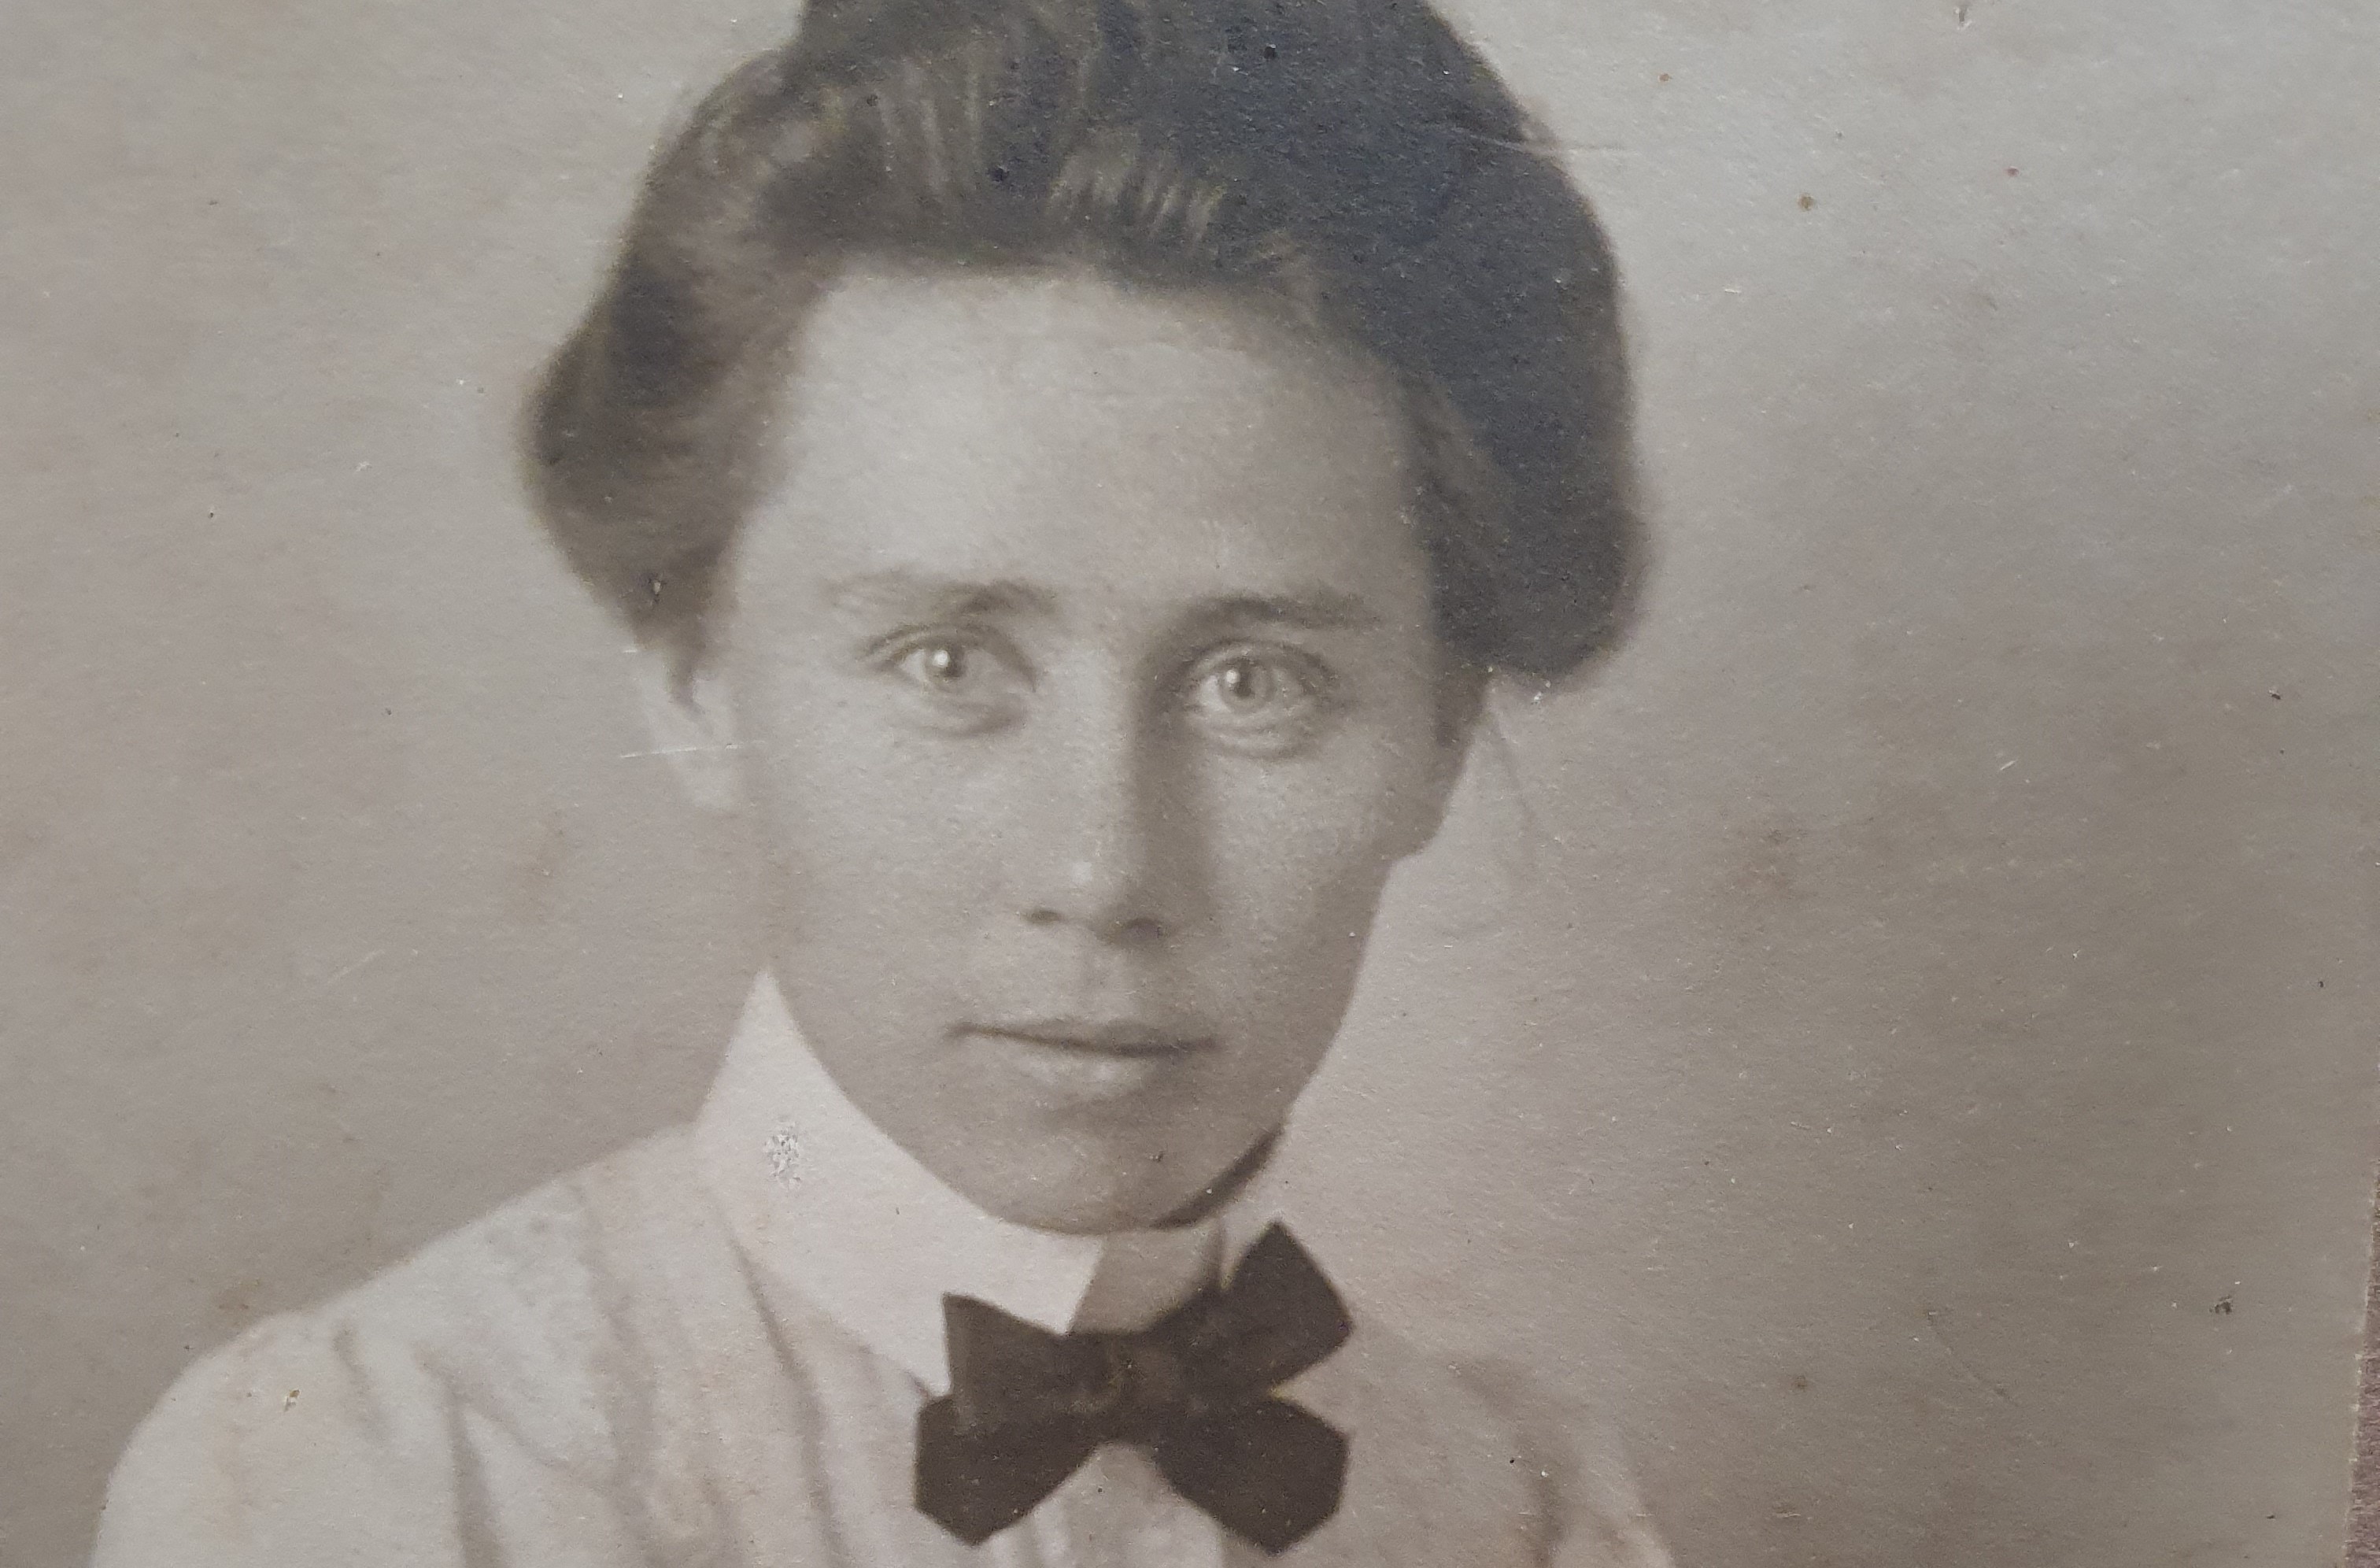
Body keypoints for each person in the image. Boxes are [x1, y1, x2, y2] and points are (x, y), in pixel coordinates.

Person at [93, 0, 1666, 1562]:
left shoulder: (1517, 1516)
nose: (1101, 872)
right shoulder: (390, 1476)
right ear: (695, 677)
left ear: (1437, 736)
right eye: (948, 662)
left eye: (1255, 683)